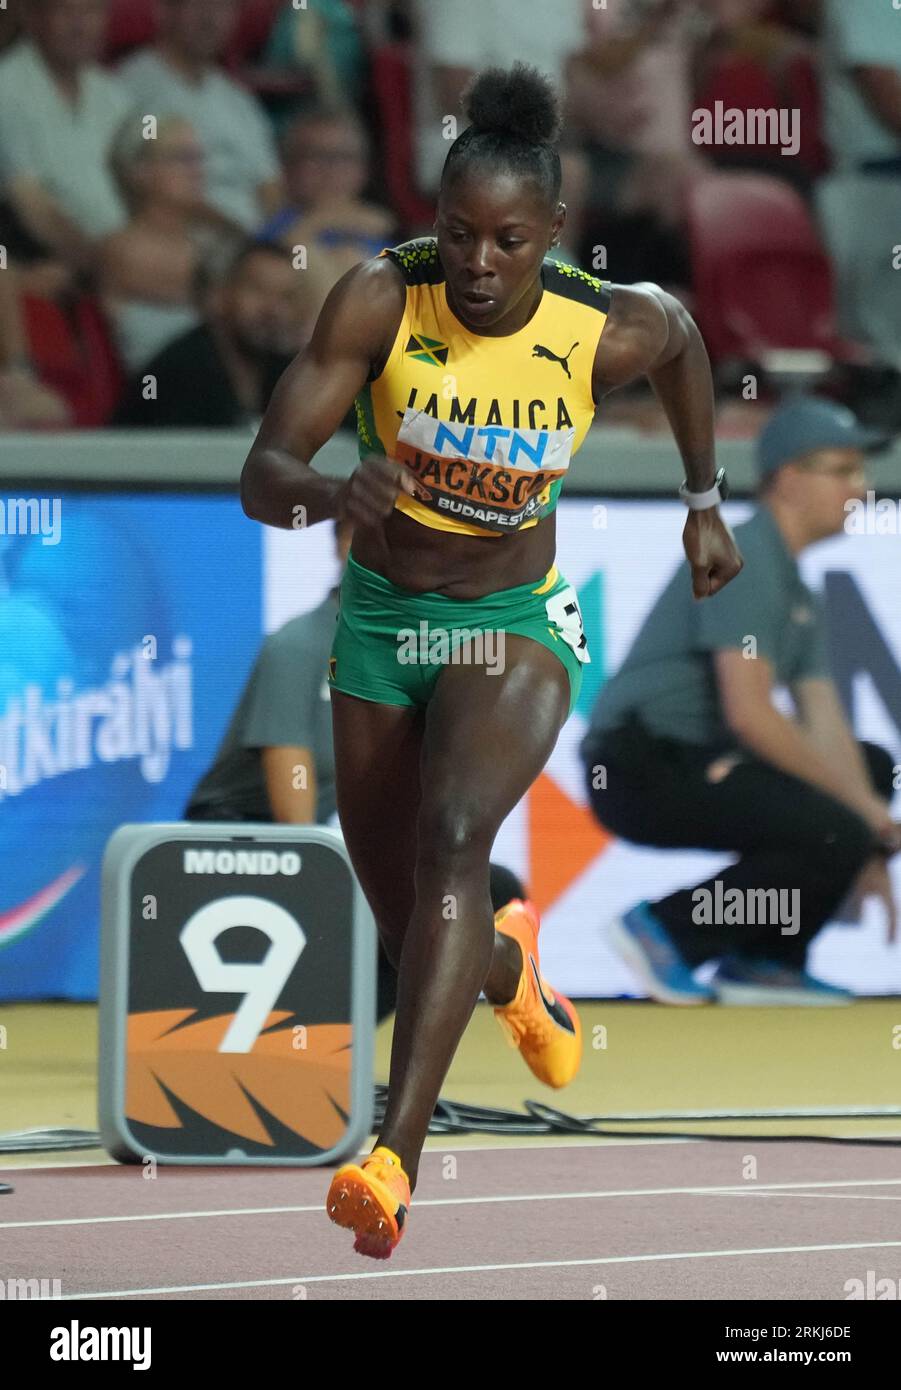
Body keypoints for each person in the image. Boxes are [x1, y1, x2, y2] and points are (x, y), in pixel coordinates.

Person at [240, 63, 742, 1258]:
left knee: (455, 831)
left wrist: (705, 500)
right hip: (379, 625)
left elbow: (683, 349)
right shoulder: (376, 300)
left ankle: (390, 1161)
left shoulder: (603, 321)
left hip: (508, 622)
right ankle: (508, 958)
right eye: (456, 233)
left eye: (506, 241)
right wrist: (328, 489)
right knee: (416, 930)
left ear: (553, 236)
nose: (475, 262)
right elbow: (262, 471)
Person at [581, 396, 899, 1007]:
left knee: (871, 769)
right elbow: (750, 716)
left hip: (693, 760)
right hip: (638, 767)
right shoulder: (743, 558)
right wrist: (867, 818)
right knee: (838, 816)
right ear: (788, 480)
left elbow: (827, 728)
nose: (862, 488)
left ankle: (766, 959)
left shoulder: (795, 588)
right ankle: (662, 932)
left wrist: (869, 831)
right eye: (844, 471)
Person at [184, 514, 527, 1024]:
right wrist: (339, 870)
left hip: (329, 842)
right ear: (348, 544)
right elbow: (291, 804)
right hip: (242, 839)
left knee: (491, 889)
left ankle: (342, 1026)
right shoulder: (299, 646)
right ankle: (301, 1025)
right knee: (378, 894)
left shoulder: (418, 654)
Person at [118, 0, 283, 233]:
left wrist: (278, 239)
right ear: (164, 11)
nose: (210, 18)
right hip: (187, 236)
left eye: (223, 7)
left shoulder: (238, 99)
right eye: (198, 4)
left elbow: (269, 186)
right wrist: (239, 235)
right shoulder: (132, 88)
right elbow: (139, 185)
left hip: (256, 243)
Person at [113, 241, 309, 428]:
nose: (272, 309)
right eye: (258, 290)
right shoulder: (178, 371)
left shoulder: (287, 370)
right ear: (220, 295)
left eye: (286, 297)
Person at [102, 115, 242, 372]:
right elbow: (222, 302)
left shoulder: (204, 239)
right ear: (139, 172)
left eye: (199, 158)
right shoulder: (123, 248)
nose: (197, 169)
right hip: (164, 388)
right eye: (182, 158)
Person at [0, 0, 130, 270]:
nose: (79, 25)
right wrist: (103, 263)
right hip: (54, 261)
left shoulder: (114, 94)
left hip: (129, 256)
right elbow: (31, 205)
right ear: (33, 17)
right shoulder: (6, 89)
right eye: (65, 11)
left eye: (91, 11)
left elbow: (144, 179)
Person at [258, 106, 397, 327]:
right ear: (287, 167)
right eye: (315, 156)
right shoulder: (277, 229)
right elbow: (286, 270)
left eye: (343, 157)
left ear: (363, 170)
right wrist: (321, 221)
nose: (330, 169)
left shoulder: (377, 232)